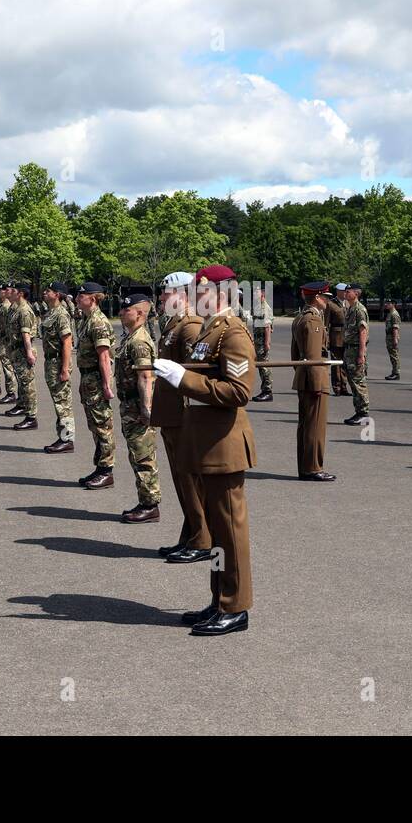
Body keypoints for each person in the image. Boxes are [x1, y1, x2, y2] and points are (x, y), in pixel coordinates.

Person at [152, 264, 256, 637]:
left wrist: (184, 379)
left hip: (225, 445)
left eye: (201, 292)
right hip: (208, 443)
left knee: (230, 530)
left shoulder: (234, 333)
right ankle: (219, 599)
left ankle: (235, 606)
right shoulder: (211, 331)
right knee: (216, 529)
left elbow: (239, 392)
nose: (195, 299)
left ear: (221, 293)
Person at [150, 271, 211, 561]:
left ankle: (201, 540)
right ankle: (190, 535)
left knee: (190, 480)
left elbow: (193, 376)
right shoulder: (175, 323)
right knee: (182, 480)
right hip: (171, 413)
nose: (162, 298)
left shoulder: (190, 326)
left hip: (183, 414)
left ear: (182, 294)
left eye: (166, 292)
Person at [115, 293, 161, 523]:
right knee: (137, 455)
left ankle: (150, 504)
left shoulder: (139, 341)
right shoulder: (131, 337)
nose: (122, 313)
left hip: (137, 406)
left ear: (140, 314)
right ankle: (145, 500)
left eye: (127, 310)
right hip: (130, 405)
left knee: (143, 456)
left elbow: (145, 377)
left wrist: (146, 409)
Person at [74, 281, 116, 489]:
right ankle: (100, 467)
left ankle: (107, 470)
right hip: (87, 378)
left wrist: (107, 385)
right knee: (94, 425)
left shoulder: (98, 322)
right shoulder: (86, 319)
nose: (77, 298)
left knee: (103, 425)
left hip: (96, 379)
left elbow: (104, 356)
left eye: (81, 296)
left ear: (92, 298)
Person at [291, 280, 334, 481]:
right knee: (315, 426)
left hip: (303, 376)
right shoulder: (313, 320)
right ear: (317, 298)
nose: (327, 300)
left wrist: (301, 373)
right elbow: (313, 355)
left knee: (306, 425)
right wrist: (317, 382)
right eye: (325, 297)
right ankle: (313, 468)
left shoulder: (300, 318)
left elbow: (295, 355)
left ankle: (305, 467)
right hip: (314, 380)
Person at [39, 282, 76, 453]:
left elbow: (67, 342)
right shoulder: (51, 313)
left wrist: (65, 368)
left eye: (49, 290)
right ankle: (62, 437)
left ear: (57, 294)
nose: (45, 292)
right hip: (51, 362)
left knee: (63, 404)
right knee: (58, 403)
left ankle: (67, 440)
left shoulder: (61, 314)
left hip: (58, 362)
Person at [4, 283, 39, 430]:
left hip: (24, 351)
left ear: (20, 294)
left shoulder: (24, 311)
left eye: (13, 291)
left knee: (28, 385)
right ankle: (24, 408)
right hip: (17, 351)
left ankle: (31, 417)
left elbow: (26, 334)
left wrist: (29, 353)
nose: (9, 292)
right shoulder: (15, 309)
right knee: (23, 383)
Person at [341, 282, 370, 425]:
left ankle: (363, 413)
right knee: (353, 382)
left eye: (348, 291)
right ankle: (358, 411)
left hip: (356, 350)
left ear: (356, 294)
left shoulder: (359, 310)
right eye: (345, 291)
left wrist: (361, 354)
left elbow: (362, 332)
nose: (345, 293)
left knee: (359, 382)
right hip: (349, 350)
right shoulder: (350, 308)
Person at [251, 285, 274, 401]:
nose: (254, 294)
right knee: (261, 366)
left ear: (263, 294)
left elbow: (267, 327)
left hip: (262, 343)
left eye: (257, 292)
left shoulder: (264, 308)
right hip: (258, 342)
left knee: (264, 366)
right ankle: (264, 390)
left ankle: (267, 391)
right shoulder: (258, 307)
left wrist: (267, 343)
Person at [325, 283, 348, 395]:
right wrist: (327, 340)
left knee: (344, 364)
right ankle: (337, 387)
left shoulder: (348, 303)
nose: (346, 293)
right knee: (335, 364)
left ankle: (344, 386)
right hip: (335, 337)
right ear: (338, 291)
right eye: (344, 291)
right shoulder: (330, 304)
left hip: (347, 337)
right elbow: (326, 324)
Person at [382, 298, 401, 380]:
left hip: (392, 336)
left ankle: (396, 373)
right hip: (389, 336)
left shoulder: (394, 314)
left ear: (393, 304)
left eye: (389, 303)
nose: (386, 304)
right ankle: (394, 372)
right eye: (386, 303)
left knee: (394, 356)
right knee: (392, 356)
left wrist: (395, 339)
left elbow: (395, 327)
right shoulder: (390, 313)